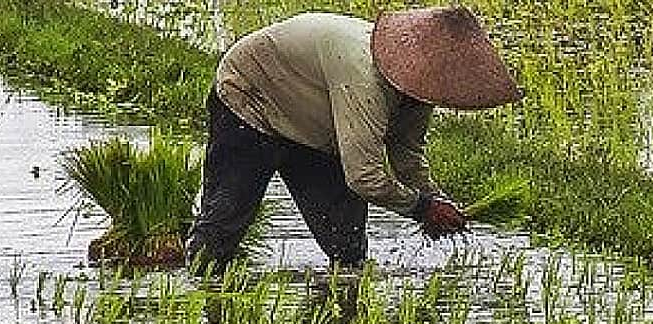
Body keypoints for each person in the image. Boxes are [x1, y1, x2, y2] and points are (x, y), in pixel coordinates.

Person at [186, 7, 521, 272]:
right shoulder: (364, 75)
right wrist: (421, 209)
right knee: (223, 225)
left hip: (318, 126)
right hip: (252, 97)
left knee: (347, 250)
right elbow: (365, 178)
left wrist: (435, 199)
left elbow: (406, 155)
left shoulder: (418, 92)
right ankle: (201, 297)